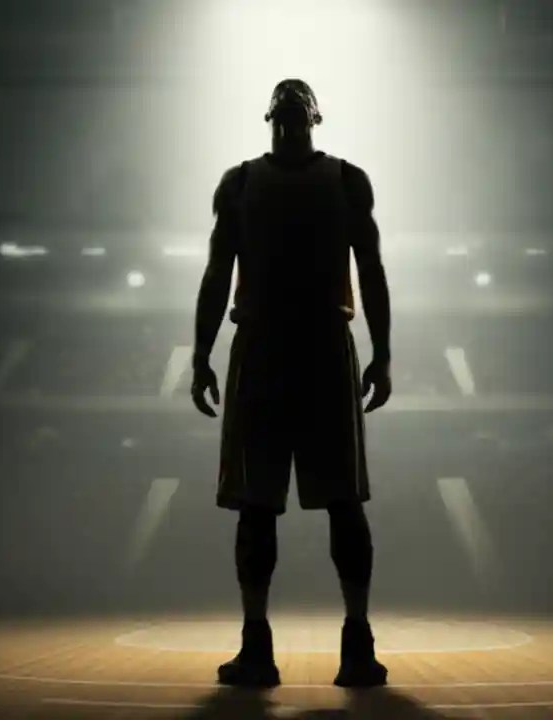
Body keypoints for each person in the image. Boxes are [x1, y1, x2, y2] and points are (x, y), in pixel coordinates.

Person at [190, 79, 393, 688]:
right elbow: (216, 273)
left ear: (315, 116)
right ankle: (262, 644)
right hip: (266, 345)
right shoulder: (241, 183)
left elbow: (372, 269)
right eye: (283, 102)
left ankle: (353, 641)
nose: (290, 106)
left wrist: (383, 353)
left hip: (317, 344)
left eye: (298, 102)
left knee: (341, 502)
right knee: (258, 505)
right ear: (270, 116)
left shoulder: (344, 180)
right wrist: (200, 354)